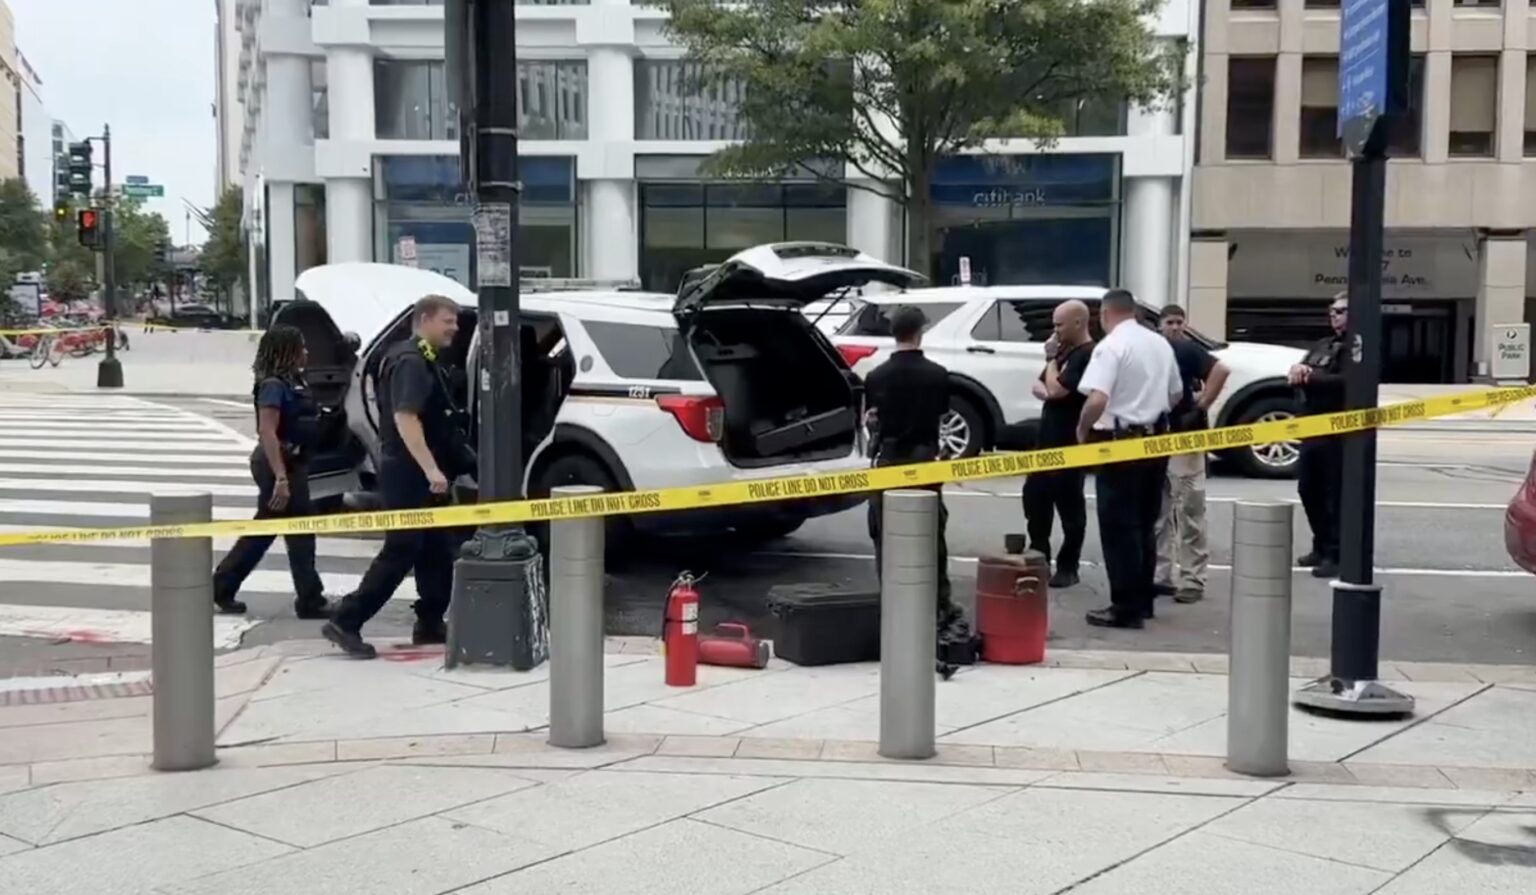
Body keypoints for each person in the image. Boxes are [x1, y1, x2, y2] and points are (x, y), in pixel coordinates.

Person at [324, 295, 471, 659]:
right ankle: (346, 620)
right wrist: (431, 469)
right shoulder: (409, 361)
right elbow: (407, 418)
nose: (455, 327)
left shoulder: (421, 357)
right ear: (424, 320)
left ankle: (430, 623)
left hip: (420, 472)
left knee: (437, 549)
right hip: (409, 474)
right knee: (402, 549)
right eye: (448, 320)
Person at [1076, 289, 1183, 629]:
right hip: (1155, 440)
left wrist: (1082, 429)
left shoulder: (1111, 346)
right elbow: (1176, 393)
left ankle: (1125, 607)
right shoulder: (1159, 343)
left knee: (1119, 528)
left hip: (1121, 442)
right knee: (1144, 524)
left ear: (1105, 314)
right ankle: (1143, 600)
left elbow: (1097, 398)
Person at [212, 325, 332, 620]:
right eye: (300, 347)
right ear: (286, 351)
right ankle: (309, 599)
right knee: (294, 530)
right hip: (277, 464)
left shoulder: (294, 381)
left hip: (293, 463)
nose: (306, 352)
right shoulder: (273, 386)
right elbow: (267, 431)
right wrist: (280, 478)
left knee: (273, 530)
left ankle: (222, 585)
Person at [865, 305, 954, 620]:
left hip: (888, 460)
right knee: (931, 531)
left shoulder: (875, 376)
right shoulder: (938, 375)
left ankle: (891, 599)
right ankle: (938, 601)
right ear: (920, 332)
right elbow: (941, 415)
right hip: (925, 460)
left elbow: (872, 420)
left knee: (885, 533)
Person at [1154, 304, 1230, 605]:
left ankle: (1192, 579)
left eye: (1179, 322)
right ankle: (1162, 574)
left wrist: (1200, 406)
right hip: (1159, 436)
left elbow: (1220, 370)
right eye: (1170, 322)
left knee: (1189, 511)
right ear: (1159, 325)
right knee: (1159, 512)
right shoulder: (1159, 350)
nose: (1175, 327)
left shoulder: (1186, 350)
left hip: (1186, 436)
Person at [1023, 299, 1094, 588]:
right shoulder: (1065, 352)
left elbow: (1055, 389)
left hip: (1069, 441)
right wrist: (1051, 384)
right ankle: (1040, 556)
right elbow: (1038, 386)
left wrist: (1051, 362)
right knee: (1035, 498)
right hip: (1046, 441)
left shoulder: (1085, 354)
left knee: (1070, 507)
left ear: (1078, 323)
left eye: (1059, 325)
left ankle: (1069, 565)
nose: (1055, 331)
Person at [1290, 292, 1349, 580]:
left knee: (1332, 495)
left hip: (1337, 433)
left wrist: (1311, 378)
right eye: (1332, 311)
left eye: (1341, 311)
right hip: (1311, 427)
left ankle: (1336, 553)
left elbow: (1348, 384)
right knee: (1308, 490)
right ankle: (1321, 544)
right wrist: (1298, 371)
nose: (1335, 316)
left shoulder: (1358, 347)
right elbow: (1305, 368)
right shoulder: (1323, 345)